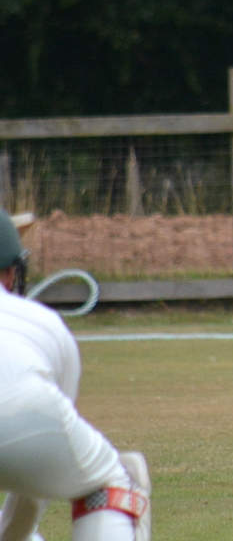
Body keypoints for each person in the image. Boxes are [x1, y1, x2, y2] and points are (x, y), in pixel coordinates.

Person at [0, 209, 152, 541]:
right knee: (110, 480)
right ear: (10, 275)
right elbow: (34, 487)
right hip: (20, 413)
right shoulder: (40, 323)